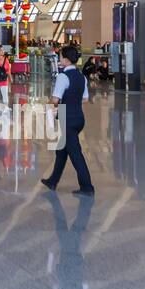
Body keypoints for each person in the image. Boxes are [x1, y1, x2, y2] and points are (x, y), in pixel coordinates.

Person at [41, 45, 94, 196]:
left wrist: (49, 106)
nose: (59, 59)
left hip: (68, 120)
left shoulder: (63, 77)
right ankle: (53, 181)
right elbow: (84, 99)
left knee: (76, 154)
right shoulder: (81, 77)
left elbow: (56, 99)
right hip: (78, 118)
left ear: (65, 59)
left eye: (60, 56)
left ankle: (87, 187)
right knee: (61, 150)